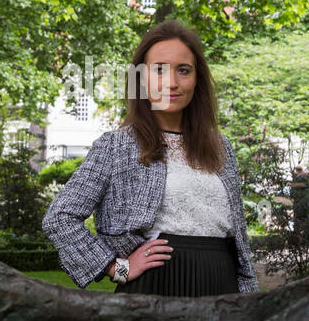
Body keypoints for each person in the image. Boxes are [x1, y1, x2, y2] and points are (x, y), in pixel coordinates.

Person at [42, 19, 259, 296]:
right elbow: (60, 217)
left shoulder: (220, 147)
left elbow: (239, 238)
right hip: (155, 287)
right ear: (141, 78)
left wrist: (249, 297)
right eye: (158, 70)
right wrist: (118, 269)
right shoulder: (116, 146)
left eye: (183, 70)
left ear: (197, 79)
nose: (172, 82)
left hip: (220, 286)